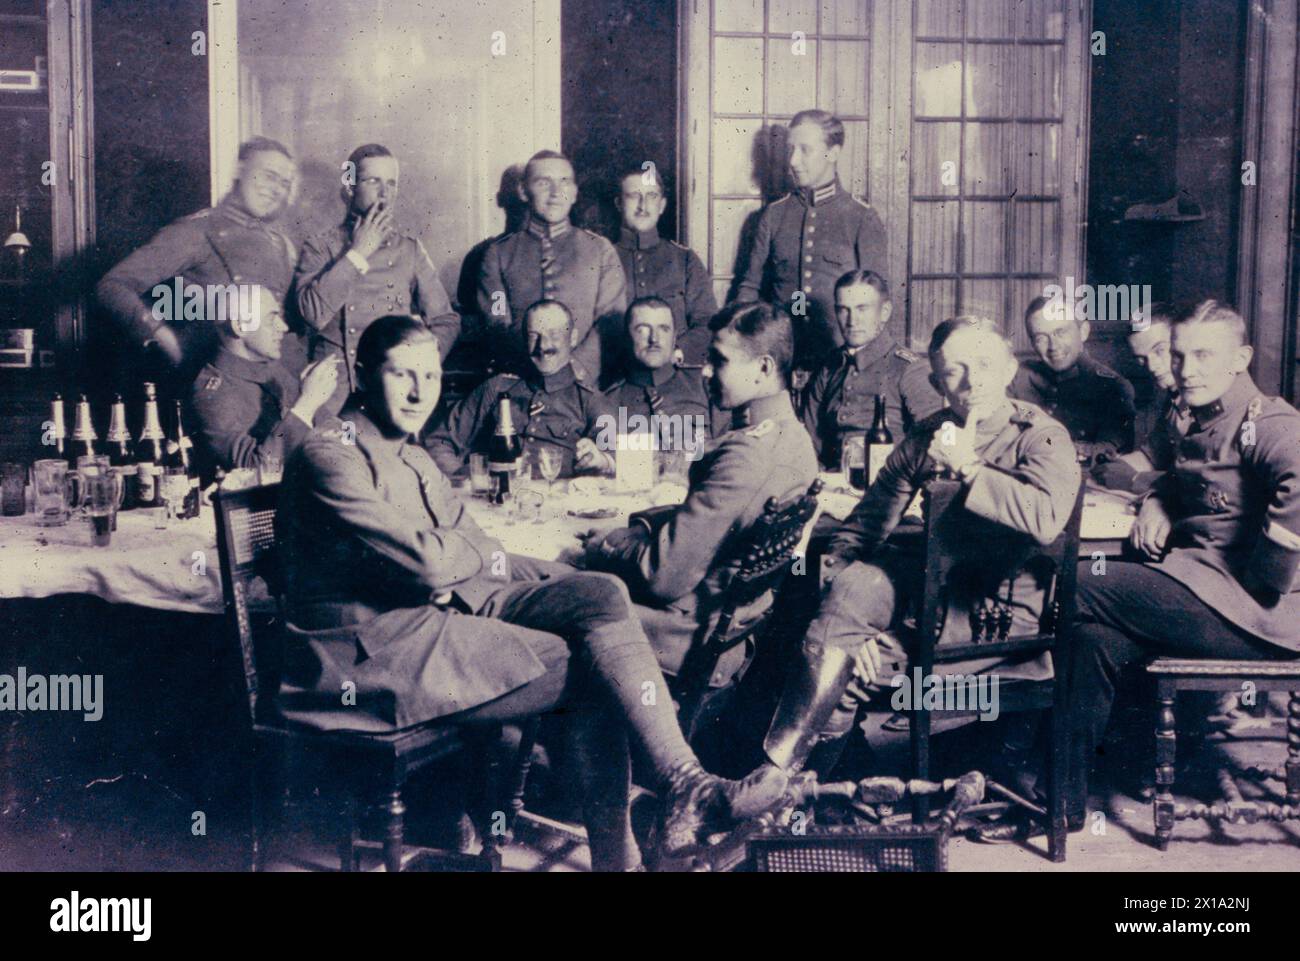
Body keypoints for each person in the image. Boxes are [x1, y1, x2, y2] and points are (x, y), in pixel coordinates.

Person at [274, 314, 787, 869]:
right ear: (364, 373)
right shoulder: (332, 454)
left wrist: (560, 578)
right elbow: (427, 564)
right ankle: (641, 845)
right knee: (595, 671)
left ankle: (683, 786)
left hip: (429, 624)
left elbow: (475, 551)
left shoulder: (413, 455)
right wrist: (451, 557)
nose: (422, 392)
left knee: (601, 595)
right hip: (366, 656)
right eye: (403, 375)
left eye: (431, 375)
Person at [754, 316, 1081, 780]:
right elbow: (860, 532)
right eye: (954, 370)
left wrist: (968, 467)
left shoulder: (1041, 436)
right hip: (929, 606)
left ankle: (792, 787)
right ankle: (811, 782)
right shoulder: (929, 435)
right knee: (847, 600)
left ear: (1009, 369)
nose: (971, 382)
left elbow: (1047, 518)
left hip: (1000, 622)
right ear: (936, 382)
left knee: (839, 671)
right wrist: (841, 624)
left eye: (984, 364)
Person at [1072, 301, 1300, 815]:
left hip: (1252, 614)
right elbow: (1190, 478)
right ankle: (1067, 789)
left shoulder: (1269, 422)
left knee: (1078, 582)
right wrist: (1159, 501)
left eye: (1203, 356)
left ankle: (1012, 744)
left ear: (1240, 358)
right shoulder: (1198, 417)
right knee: (1094, 638)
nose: (1186, 370)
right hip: (1203, 590)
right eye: (1178, 356)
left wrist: (1267, 581)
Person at [585, 301, 819, 688]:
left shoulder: (747, 456)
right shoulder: (793, 438)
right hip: (728, 623)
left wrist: (607, 547)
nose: (706, 371)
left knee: (553, 595)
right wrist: (643, 526)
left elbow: (661, 578)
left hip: (684, 635)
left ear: (763, 367)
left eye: (719, 361)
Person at [96, 136, 299, 386]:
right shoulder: (196, 232)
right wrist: (163, 337)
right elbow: (113, 286)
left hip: (269, 388)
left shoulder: (279, 244)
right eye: (268, 175)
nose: (276, 189)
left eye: (284, 183)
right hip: (213, 383)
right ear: (239, 170)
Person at [295, 143, 461, 416]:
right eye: (373, 181)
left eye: (391, 184)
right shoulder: (320, 246)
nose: (385, 193)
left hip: (392, 390)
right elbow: (313, 314)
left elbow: (446, 321)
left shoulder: (409, 250)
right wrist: (358, 253)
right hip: (334, 394)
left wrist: (418, 362)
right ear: (349, 187)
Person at [734, 109, 887, 372]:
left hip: (838, 363)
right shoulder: (773, 215)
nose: (793, 160)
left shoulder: (861, 218)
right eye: (791, 149)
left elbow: (877, 301)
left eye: (805, 150)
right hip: (779, 359)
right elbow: (749, 287)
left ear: (833, 153)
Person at [476, 150, 626, 382]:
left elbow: (610, 322)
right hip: (522, 382)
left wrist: (575, 372)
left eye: (564, 182)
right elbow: (497, 324)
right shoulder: (498, 254)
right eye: (544, 182)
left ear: (575, 193)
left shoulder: (600, 250)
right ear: (524, 192)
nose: (556, 193)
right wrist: (533, 370)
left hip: (584, 385)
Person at [425, 300, 616, 477]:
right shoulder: (496, 388)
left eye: (554, 335)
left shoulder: (592, 401)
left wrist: (602, 460)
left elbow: (620, 460)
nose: (543, 345)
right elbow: (439, 440)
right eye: (534, 336)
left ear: (572, 338)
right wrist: (461, 479)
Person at [188, 286, 339, 483]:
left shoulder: (270, 369)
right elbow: (257, 471)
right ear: (240, 326)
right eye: (271, 319)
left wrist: (355, 438)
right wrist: (306, 405)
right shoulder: (213, 396)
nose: (283, 327)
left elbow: (337, 430)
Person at [801, 270, 942, 470]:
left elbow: (934, 445)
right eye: (843, 310)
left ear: (884, 312)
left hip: (887, 489)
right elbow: (808, 443)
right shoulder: (829, 367)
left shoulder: (910, 369)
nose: (852, 321)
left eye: (862, 309)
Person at [1010, 294, 1137, 463]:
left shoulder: (1113, 387)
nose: (1053, 346)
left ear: (1083, 331)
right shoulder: (1019, 378)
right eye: (1041, 338)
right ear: (1032, 343)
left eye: (1060, 332)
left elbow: (1107, 453)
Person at [612, 165, 716, 365]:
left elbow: (708, 322)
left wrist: (677, 351)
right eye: (634, 196)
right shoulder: (602, 259)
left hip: (676, 375)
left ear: (662, 205)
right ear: (619, 203)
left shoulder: (684, 260)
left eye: (651, 196)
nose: (643, 206)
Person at [1091, 304, 1191, 493]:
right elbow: (1152, 454)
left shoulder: (1205, 398)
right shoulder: (1172, 398)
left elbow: (1201, 481)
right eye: (1141, 359)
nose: (1152, 366)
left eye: (1160, 350)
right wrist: (1116, 465)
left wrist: (1135, 478)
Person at [601, 297, 725, 448]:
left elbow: (726, 445)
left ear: (674, 338)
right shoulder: (608, 402)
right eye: (642, 329)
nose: (654, 339)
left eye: (663, 329)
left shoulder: (705, 385)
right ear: (627, 337)